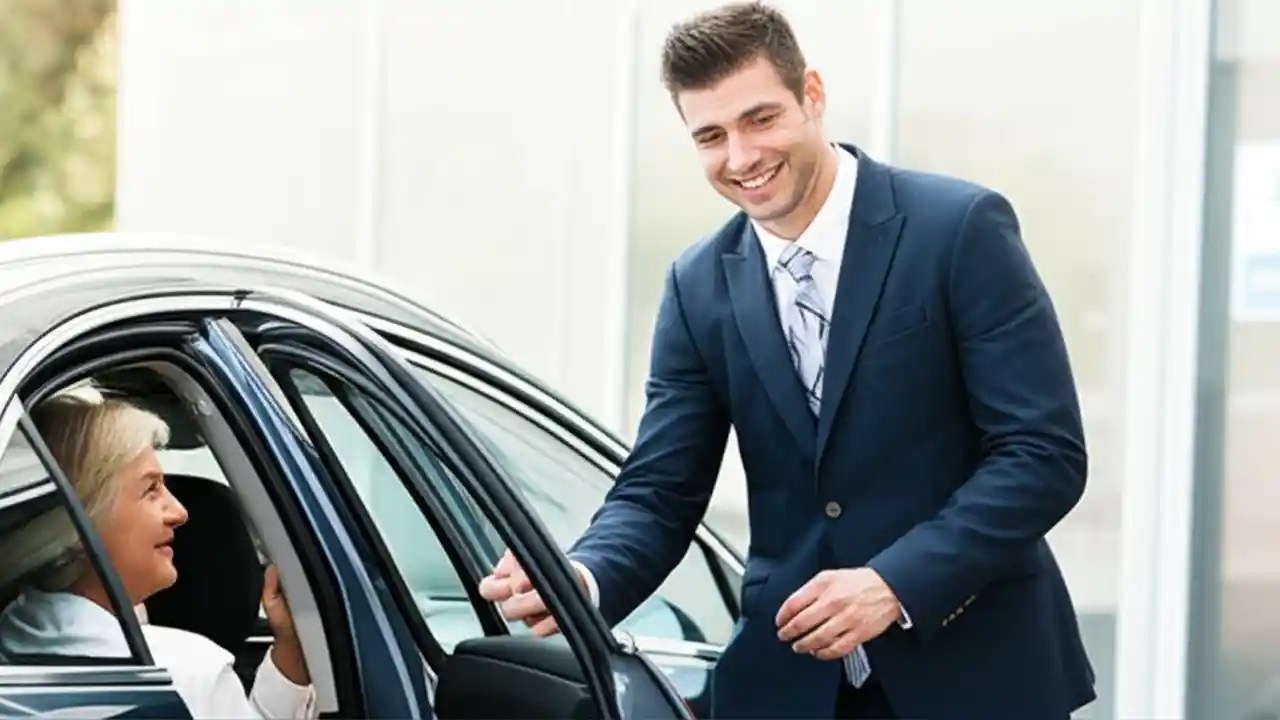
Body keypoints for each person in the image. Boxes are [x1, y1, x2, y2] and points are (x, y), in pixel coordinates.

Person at [480, 2, 1095, 717]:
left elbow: (1041, 454)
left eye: (759, 119)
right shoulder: (697, 284)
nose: (740, 158)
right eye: (710, 135)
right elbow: (660, 491)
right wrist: (579, 578)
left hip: (974, 677)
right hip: (789, 687)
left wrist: (894, 583)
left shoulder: (958, 230)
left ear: (813, 95)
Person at [0, 394, 318, 719]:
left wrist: (290, 654)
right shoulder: (183, 676)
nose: (179, 513)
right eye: (151, 490)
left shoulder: (11, 647)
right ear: (81, 520)